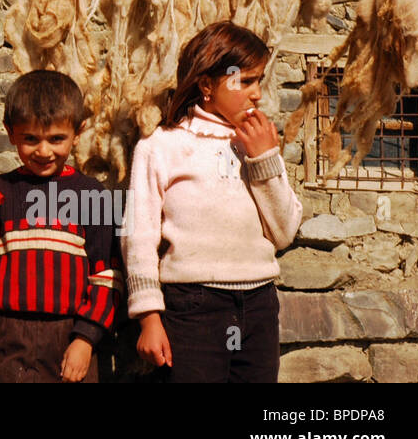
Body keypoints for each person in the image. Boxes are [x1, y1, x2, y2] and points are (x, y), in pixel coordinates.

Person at [123, 21, 303, 383]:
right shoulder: (162, 147)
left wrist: (264, 159)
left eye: (260, 80)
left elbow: (283, 233)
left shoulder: (257, 143)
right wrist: (148, 317)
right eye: (245, 81)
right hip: (193, 308)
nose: (257, 94)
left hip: (258, 304)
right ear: (206, 85)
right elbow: (138, 237)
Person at [0, 70, 121, 383]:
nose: (43, 151)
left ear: (78, 132)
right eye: (30, 139)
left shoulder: (91, 195)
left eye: (56, 139)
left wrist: (85, 339)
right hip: (4, 335)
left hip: (68, 337)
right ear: (10, 132)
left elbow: (106, 276)